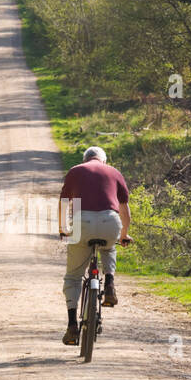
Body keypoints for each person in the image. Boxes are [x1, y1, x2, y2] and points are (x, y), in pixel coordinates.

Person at [58, 146, 132, 345]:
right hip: (110, 221)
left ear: (86, 159)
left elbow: (64, 202)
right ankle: (109, 284)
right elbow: (125, 212)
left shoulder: (75, 170)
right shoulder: (114, 172)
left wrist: (63, 230)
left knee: (73, 276)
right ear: (103, 161)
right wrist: (123, 235)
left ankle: (72, 325)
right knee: (109, 247)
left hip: (83, 222)